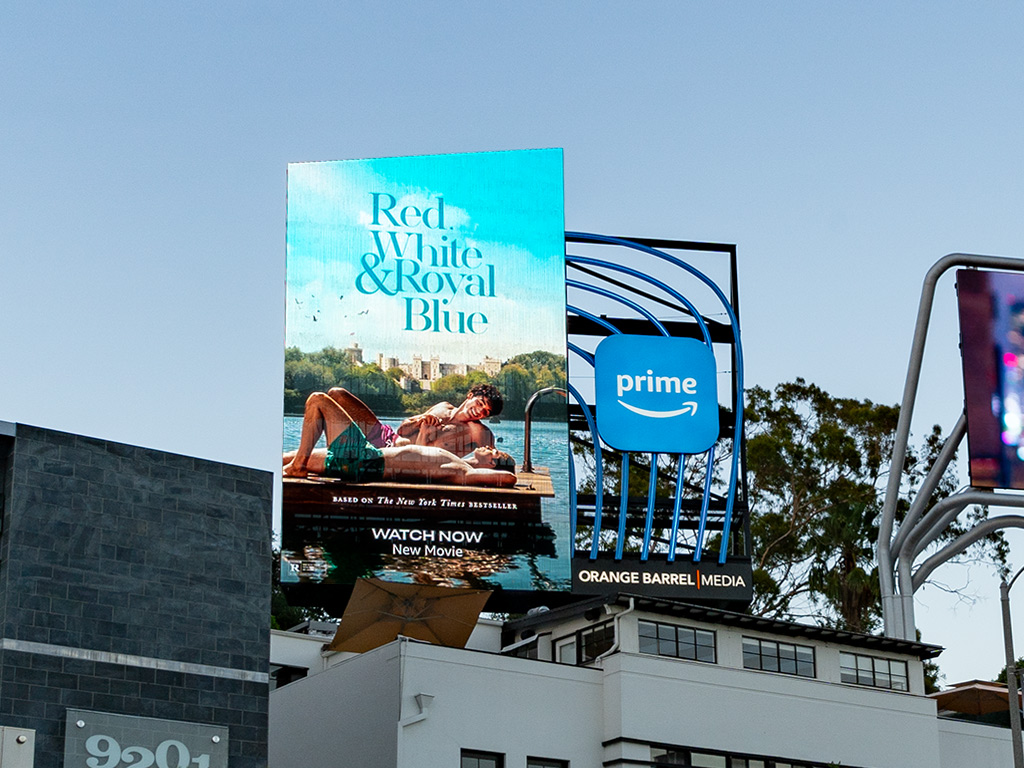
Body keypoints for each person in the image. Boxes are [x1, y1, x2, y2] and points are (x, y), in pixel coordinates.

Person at [282, 397, 516, 487]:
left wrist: (504, 469)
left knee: (317, 401)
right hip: (366, 457)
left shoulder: (463, 472)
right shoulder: (457, 463)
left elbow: (509, 477)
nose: (489, 448)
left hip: (366, 460)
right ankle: (296, 464)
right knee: (287, 457)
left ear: (492, 465)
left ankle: (298, 467)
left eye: (495, 453)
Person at [395, 383, 503, 454]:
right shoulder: (442, 407)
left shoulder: (478, 431)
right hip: (393, 450)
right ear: (470, 396)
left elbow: (495, 461)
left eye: (485, 412)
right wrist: (420, 421)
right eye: (480, 403)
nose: (480, 411)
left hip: (419, 471)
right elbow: (401, 431)